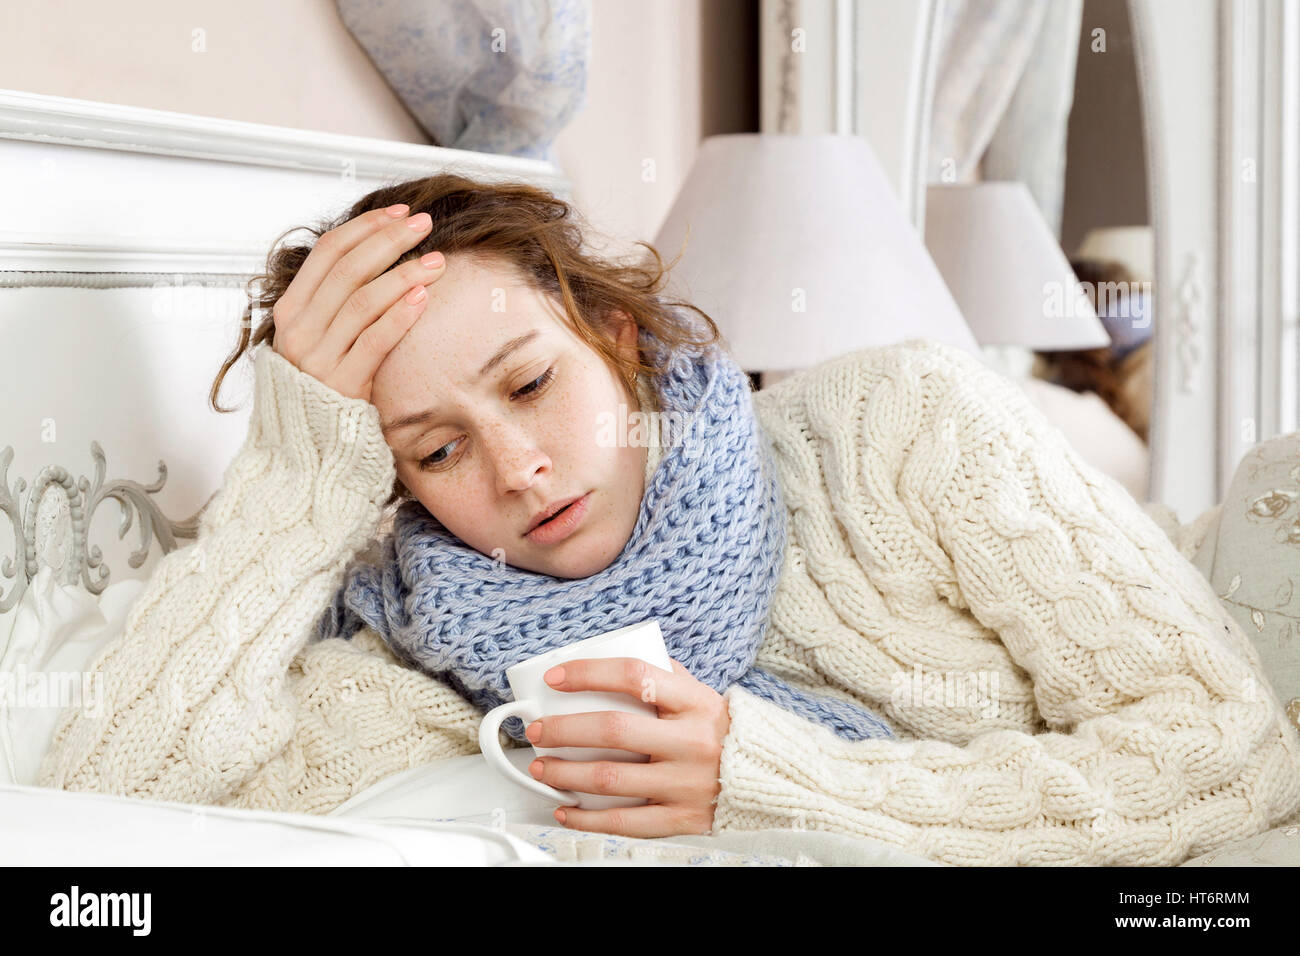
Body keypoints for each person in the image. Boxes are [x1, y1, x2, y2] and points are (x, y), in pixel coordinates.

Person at [37, 174, 1300, 866]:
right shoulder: (413, 659)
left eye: (531, 382)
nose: (522, 470)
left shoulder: (904, 425)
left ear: (613, 331)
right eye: (436, 447)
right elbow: (100, 813)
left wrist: (765, 780)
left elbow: (1232, 749)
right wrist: (298, 475)